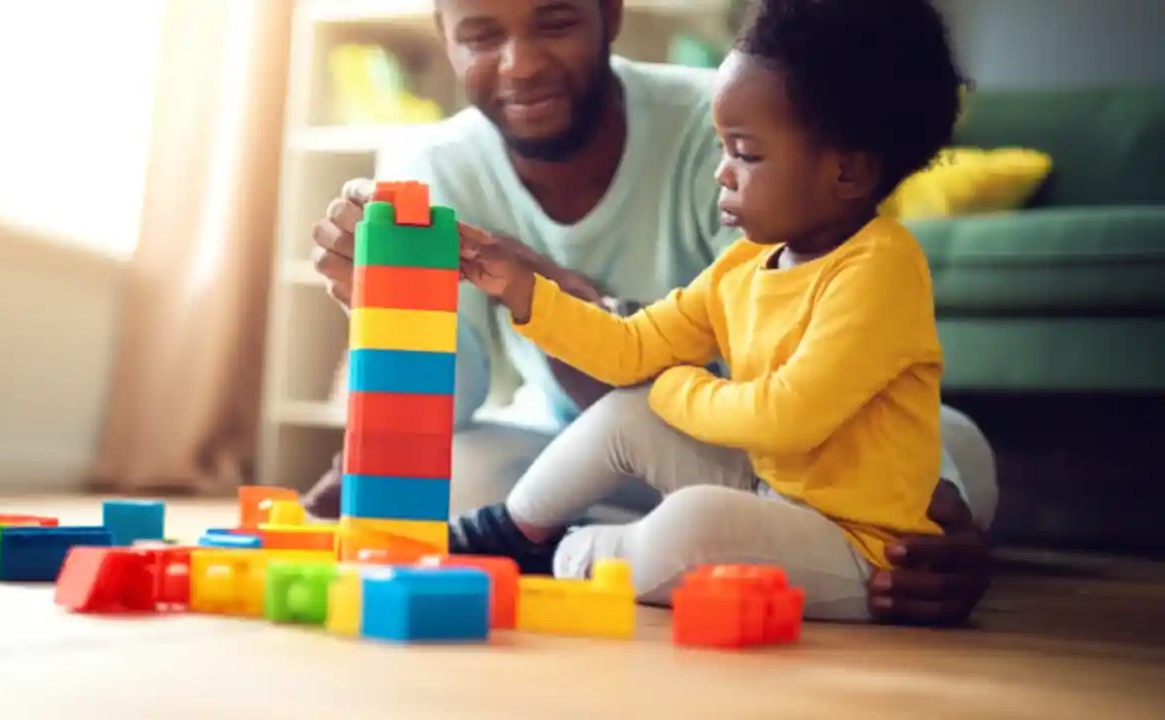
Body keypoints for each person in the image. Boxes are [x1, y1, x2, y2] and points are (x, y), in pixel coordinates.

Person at [309, 0, 994, 625]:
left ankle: (576, 552)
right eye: (482, 35)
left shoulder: (756, 114)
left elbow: (781, 413)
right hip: (678, 453)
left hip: (806, 470)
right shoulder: (746, 247)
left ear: (610, 14)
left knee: (952, 451)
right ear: (446, 38)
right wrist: (488, 294)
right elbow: (632, 348)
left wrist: (669, 385)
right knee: (514, 458)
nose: (520, 65)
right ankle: (513, 536)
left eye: (554, 23)